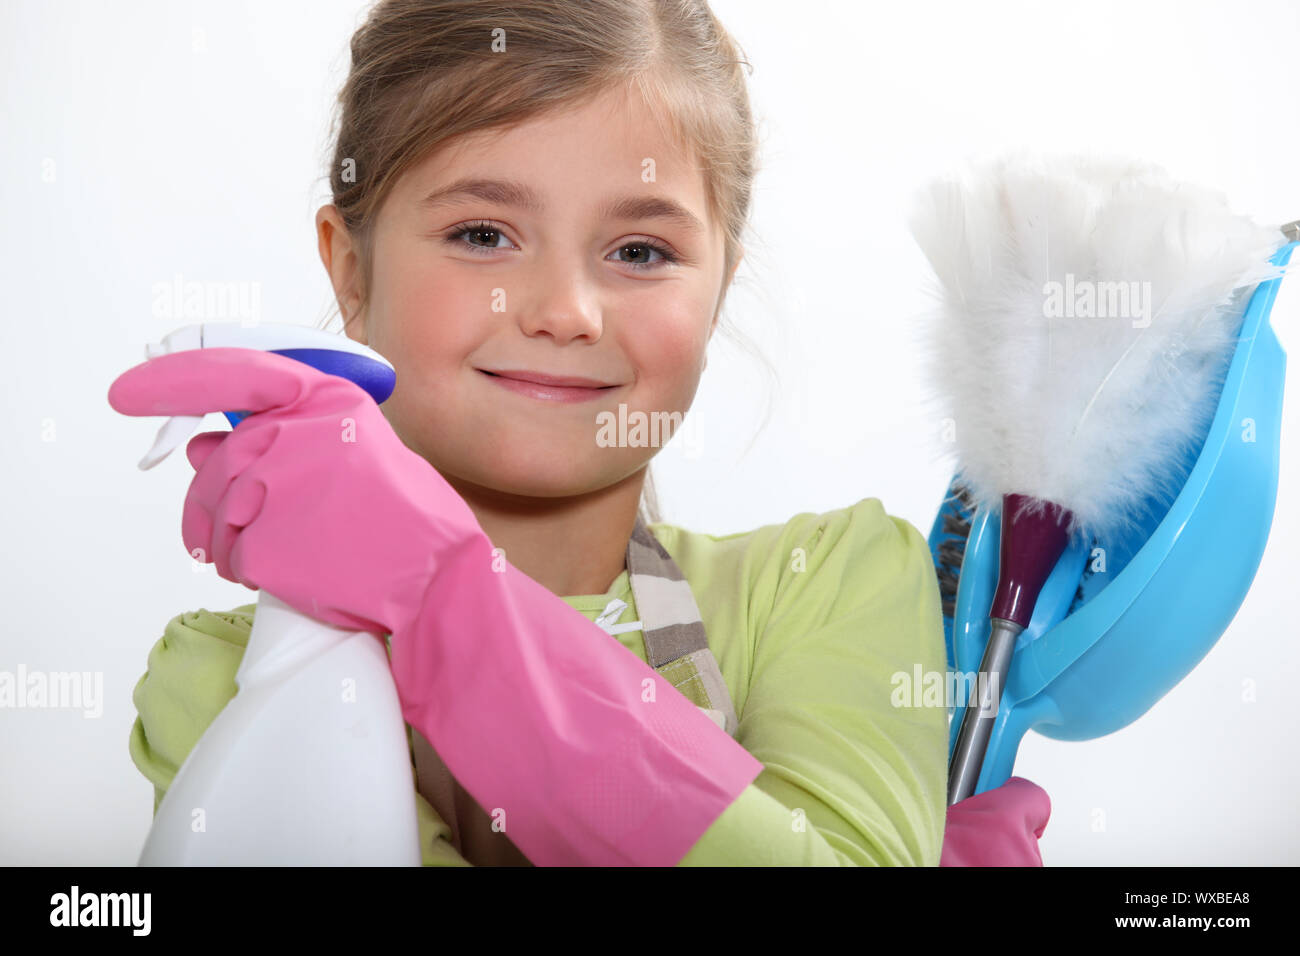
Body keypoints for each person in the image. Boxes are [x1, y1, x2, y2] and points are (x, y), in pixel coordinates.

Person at [117, 0, 1048, 866]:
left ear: (718, 289)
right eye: (483, 234)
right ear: (351, 273)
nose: (566, 312)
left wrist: (440, 593)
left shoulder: (830, 583)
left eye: (640, 252)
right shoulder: (235, 669)